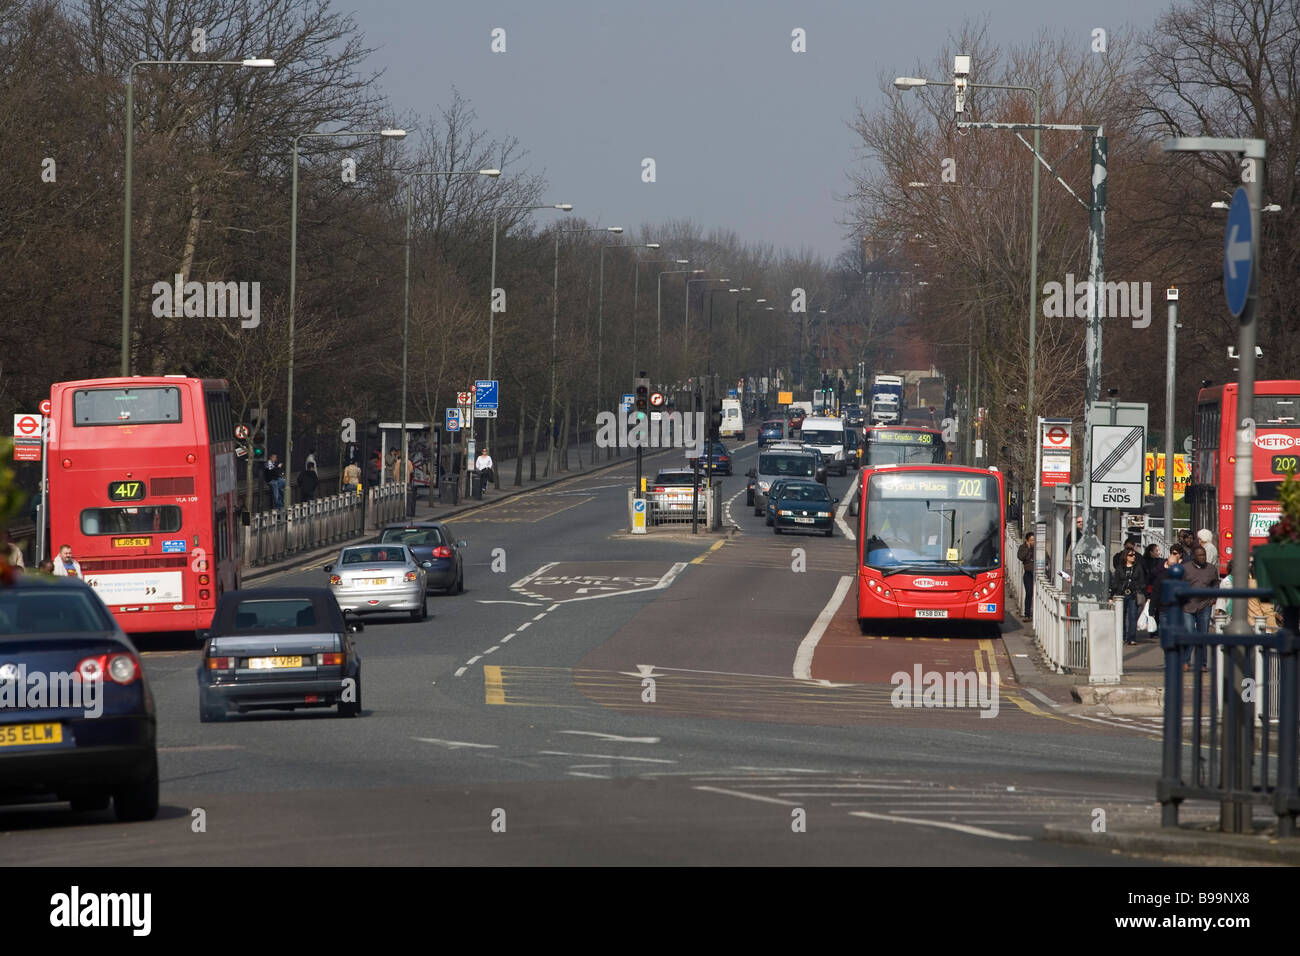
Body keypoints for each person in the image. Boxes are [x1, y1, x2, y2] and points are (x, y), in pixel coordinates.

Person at [1182, 545, 1220, 670]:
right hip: (1188, 606)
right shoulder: (1185, 568)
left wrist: (1213, 599)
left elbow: (1215, 583)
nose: (1203, 557)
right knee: (1189, 632)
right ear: (1194, 556)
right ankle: (1185, 661)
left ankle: (1202, 663)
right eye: (1200, 555)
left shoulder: (1211, 569)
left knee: (1203, 634)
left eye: (1204, 554)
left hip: (1204, 605)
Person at [1110, 546, 1148, 645]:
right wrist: (1111, 596)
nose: (1133, 557)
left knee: (1133, 616)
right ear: (1125, 556)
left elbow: (1142, 581)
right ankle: (1121, 636)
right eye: (1131, 555)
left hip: (1133, 594)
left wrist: (1142, 592)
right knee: (1121, 616)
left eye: (1134, 555)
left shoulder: (1137, 567)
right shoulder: (1119, 568)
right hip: (1121, 595)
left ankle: (1132, 638)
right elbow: (1115, 582)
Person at [1016, 531, 1035, 620]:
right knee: (1029, 593)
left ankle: (1035, 613)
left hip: (1037, 574)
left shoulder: (1038, 548)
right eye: (1031, 540)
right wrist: (1028, 549)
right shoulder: (1023, 548)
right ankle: (1027, 613)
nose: (1032, 542)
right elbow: (1020, 557)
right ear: (1027, 541)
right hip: (1028, 574)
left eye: (1034, 540)